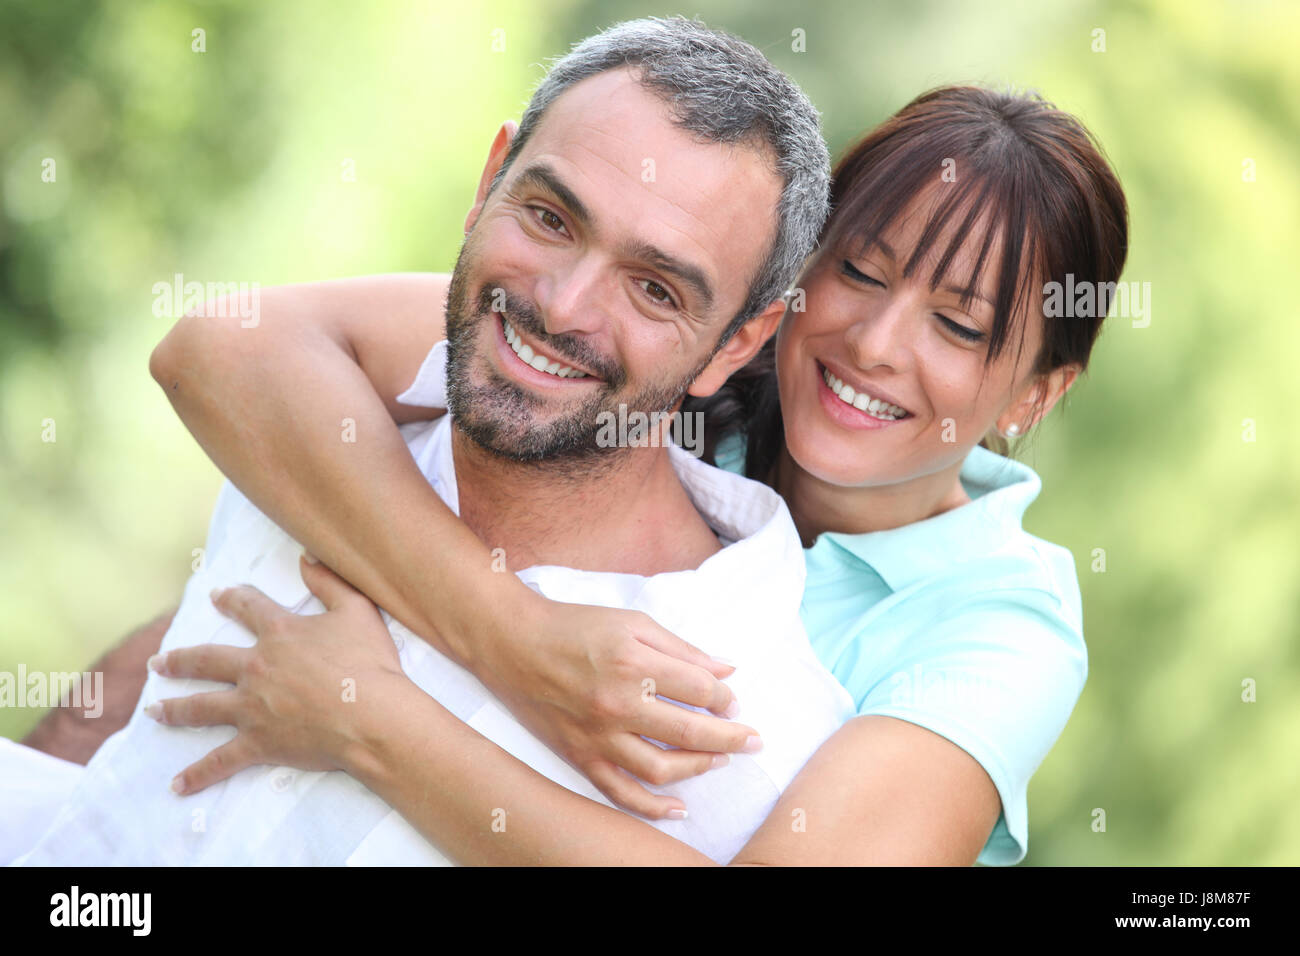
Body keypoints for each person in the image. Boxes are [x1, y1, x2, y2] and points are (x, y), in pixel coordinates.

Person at [128, 85, 1129, 865]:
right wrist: (518, 642)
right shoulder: (669, 347)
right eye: (859, 270)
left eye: (956, 324)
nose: (872, 341)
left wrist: (371, 721)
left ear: (1034, 394)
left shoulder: (1000, 631)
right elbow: (230, 350)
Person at [9, 16, 864, 867]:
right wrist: (514, 640)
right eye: (550, 218)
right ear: (490, 179)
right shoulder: (326, 426)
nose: (563, 308)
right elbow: (207, 349)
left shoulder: (754, 727)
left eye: (652, 288)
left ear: (738, 344)